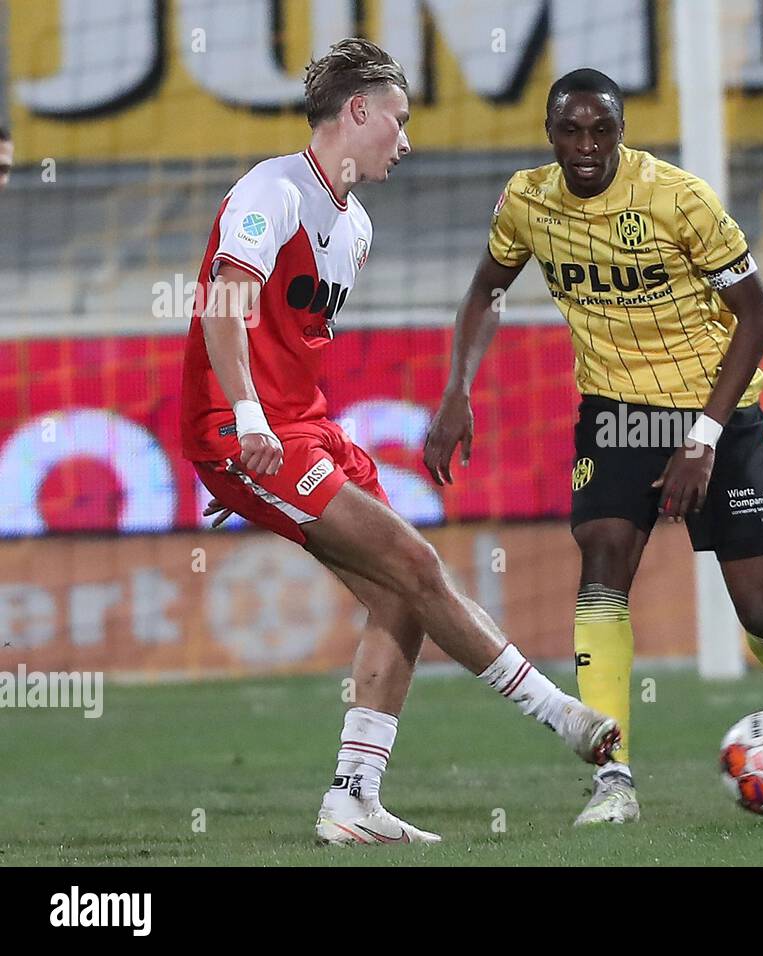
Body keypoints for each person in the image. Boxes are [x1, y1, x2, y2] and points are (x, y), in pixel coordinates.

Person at [185, 41, 620, 847]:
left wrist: (258, 442)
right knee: (418, 564)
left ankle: (353, 799)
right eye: (399, 119)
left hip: (298, 428)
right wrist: (243, 425)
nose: (406, 140)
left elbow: (289, 342)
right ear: (358, 113)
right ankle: (557, 714)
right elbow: (223, 307)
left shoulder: (353, 226)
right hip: (252, 428)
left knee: (399, 595)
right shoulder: (270, 191)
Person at [425, 68, 763, 826]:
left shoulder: (680, 200)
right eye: (571, 131)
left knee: (761, 609)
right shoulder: (527, 200)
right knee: (603, 554)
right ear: (550, 134)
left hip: (716, 410)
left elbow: (759, 317)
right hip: (615, 413)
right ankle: (614, 779)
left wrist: (703, 440)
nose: (585, 146)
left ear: (620, 132)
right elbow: (487, 290)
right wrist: (458, 388)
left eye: (600, 130)